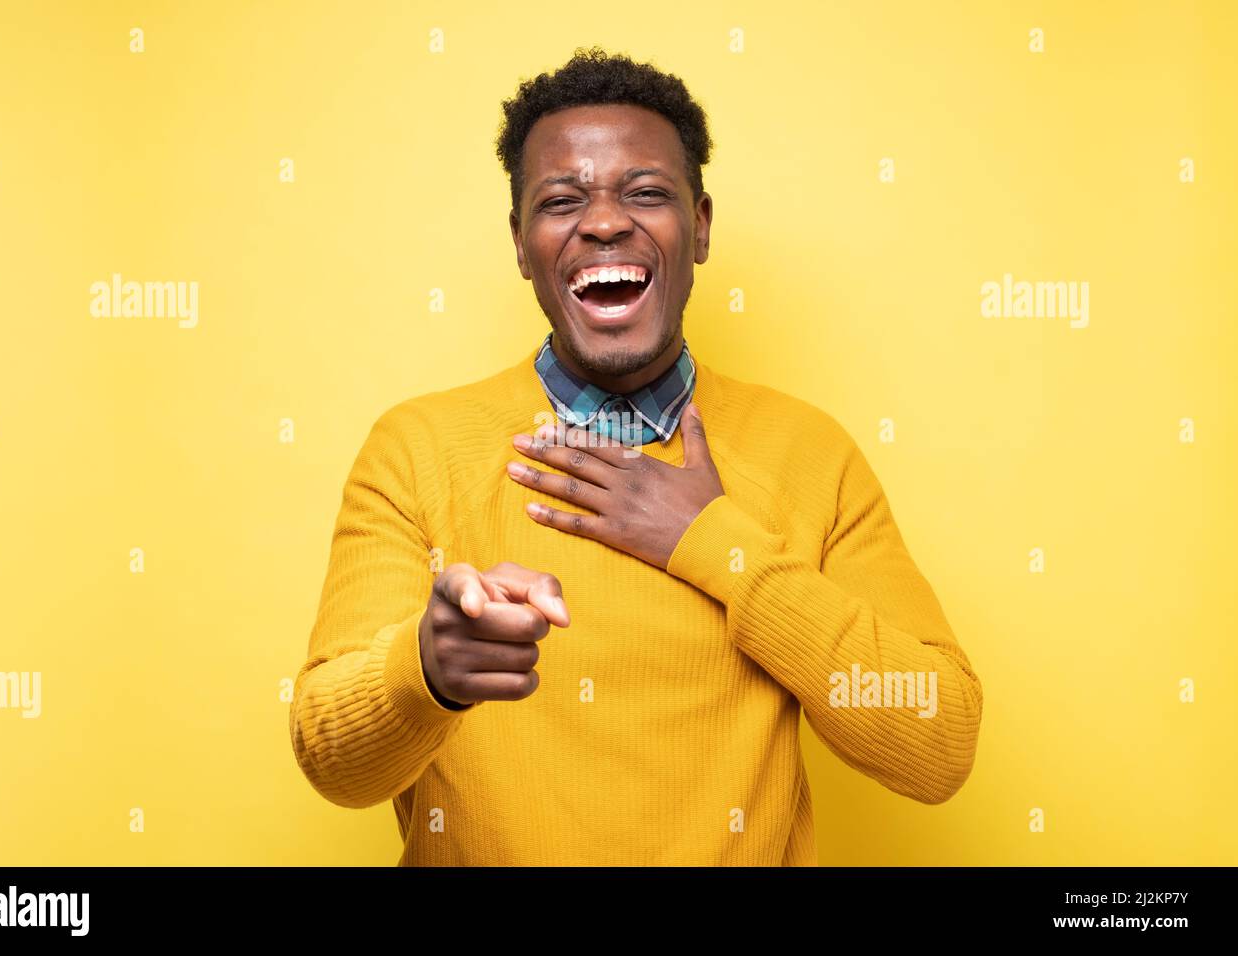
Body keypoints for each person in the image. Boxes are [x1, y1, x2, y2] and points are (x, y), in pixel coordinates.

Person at [288, 46, 983, 865]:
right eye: (561, 199)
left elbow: (938, 743)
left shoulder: (810, 453)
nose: (607, 220)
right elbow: (334, 760)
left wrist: (716, 541)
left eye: (646, 193)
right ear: (520, 244)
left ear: (701, 227)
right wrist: (429, 667)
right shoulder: (417, 450)